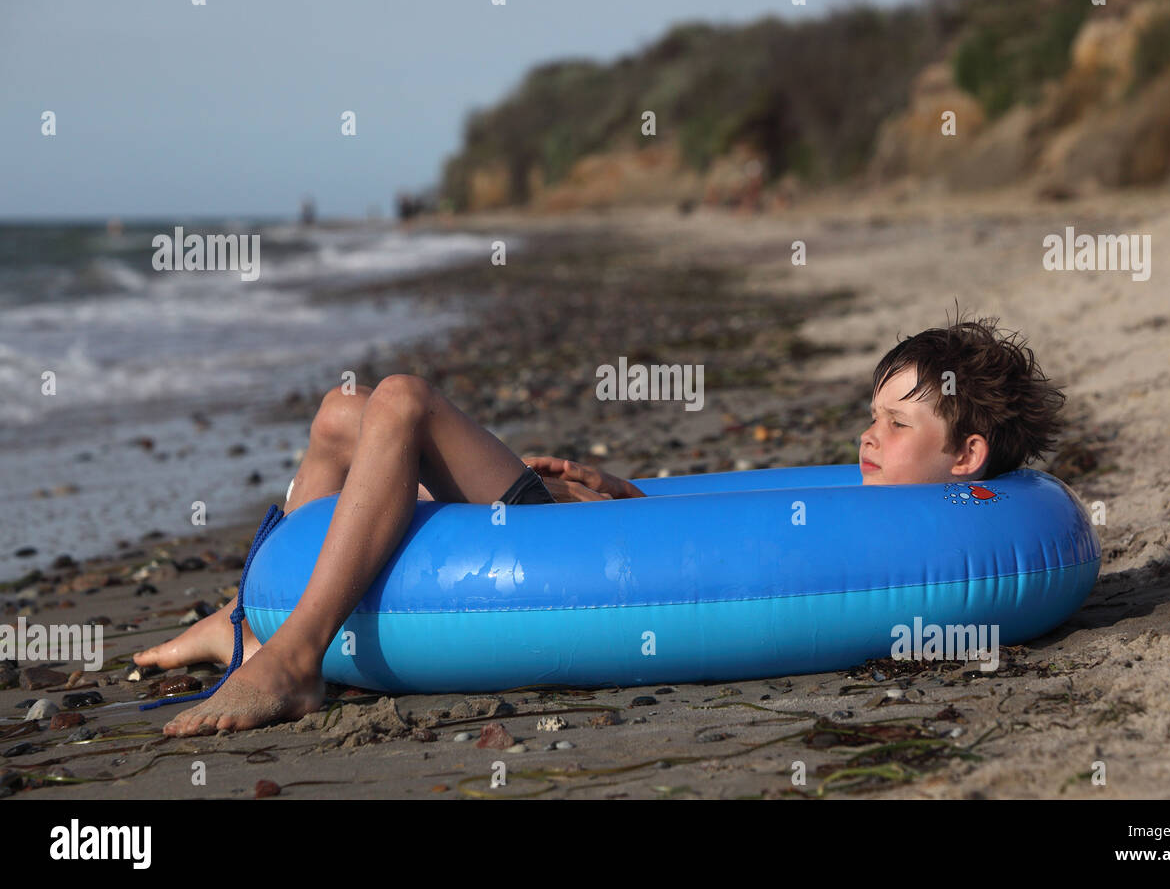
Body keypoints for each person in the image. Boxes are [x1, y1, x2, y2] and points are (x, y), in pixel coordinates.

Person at [134, 315, 1063, 735]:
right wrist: (623, 497)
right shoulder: (886, 495)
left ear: (969, 457)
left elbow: (743, 548)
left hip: (548, 553)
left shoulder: (931, 529)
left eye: (898, 428)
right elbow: (716, 528)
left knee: (402, 401)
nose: (869, 436)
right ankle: (250, 622)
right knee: (347, 412)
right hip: (567, 535)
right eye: (873, 414)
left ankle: (293, 657)